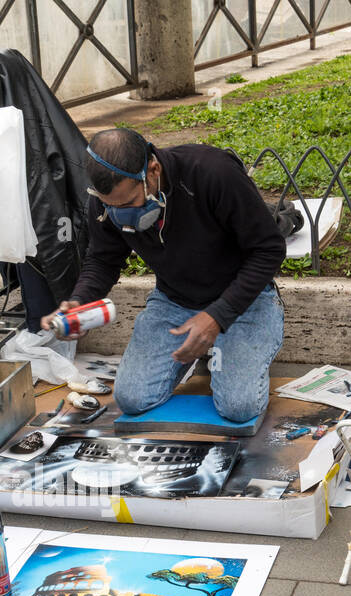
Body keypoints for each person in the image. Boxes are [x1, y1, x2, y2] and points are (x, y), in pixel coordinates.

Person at [43, 128, 287, 423]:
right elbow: (103, 259)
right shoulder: (107, 199)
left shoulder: (212, 173)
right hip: (175, 300)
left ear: (152, 170)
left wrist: (217, 317)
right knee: (131, 399)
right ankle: (197, 353)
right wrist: (80, 300)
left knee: (239, 408)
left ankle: (226, 348)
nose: (121, 215)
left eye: (129, 203)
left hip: (244, 301)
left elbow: (270, 250)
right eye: (112, 207)